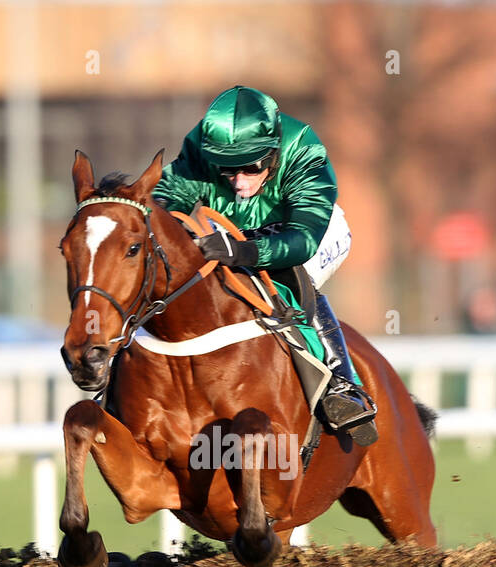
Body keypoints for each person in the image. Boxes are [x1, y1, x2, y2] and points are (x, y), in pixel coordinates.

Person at [152, 85, 377, 445]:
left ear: (273, 151)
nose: (239, 183)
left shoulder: (304, 148)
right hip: (232, 229)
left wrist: (246, 253)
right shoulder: (201, 145)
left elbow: (302, 239)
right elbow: (168, 200)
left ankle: (342, 385)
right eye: (227, 170)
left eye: (250, 167)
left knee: (290, 283)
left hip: (306, 231)